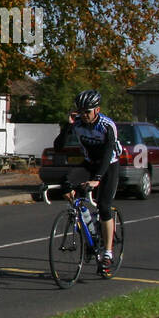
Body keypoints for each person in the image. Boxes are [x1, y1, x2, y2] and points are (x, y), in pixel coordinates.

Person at [38, 89, 120, 277]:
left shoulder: (107, 125)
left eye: (87, 112)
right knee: (66, 185)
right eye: (81, 112)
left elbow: (108, 153)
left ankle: (107, 252)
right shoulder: (78, 125)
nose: (84, 115)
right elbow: (59, 147)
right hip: (89, 163)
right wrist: (67, 127)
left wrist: (97, 180)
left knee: (105, 207)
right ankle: (85, 223)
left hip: (109, 166)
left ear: (97, 110)